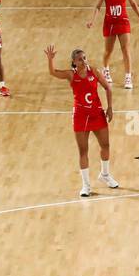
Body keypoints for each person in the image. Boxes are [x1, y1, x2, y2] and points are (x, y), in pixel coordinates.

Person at [46, 46, 118, 196]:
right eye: (80, 59)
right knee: (83, 151)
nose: (84, 61)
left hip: (97, 113)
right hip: (80, 116)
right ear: (74, 62)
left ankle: (105, 175)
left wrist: (110, 107)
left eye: (85, 58)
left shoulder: (94, 71)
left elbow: (108, 88)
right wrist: (50, 60)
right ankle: (86, 186)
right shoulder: (71, 75)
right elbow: (53, 72)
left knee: (105, 145)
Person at [86, 0, 139, 90]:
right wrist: (92, 20)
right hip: (110, 23)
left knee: (126, 49)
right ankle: (106, 70)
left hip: (122, 21)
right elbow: (98, 6)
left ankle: (128, 76)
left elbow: (133, 3)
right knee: (108, 50)